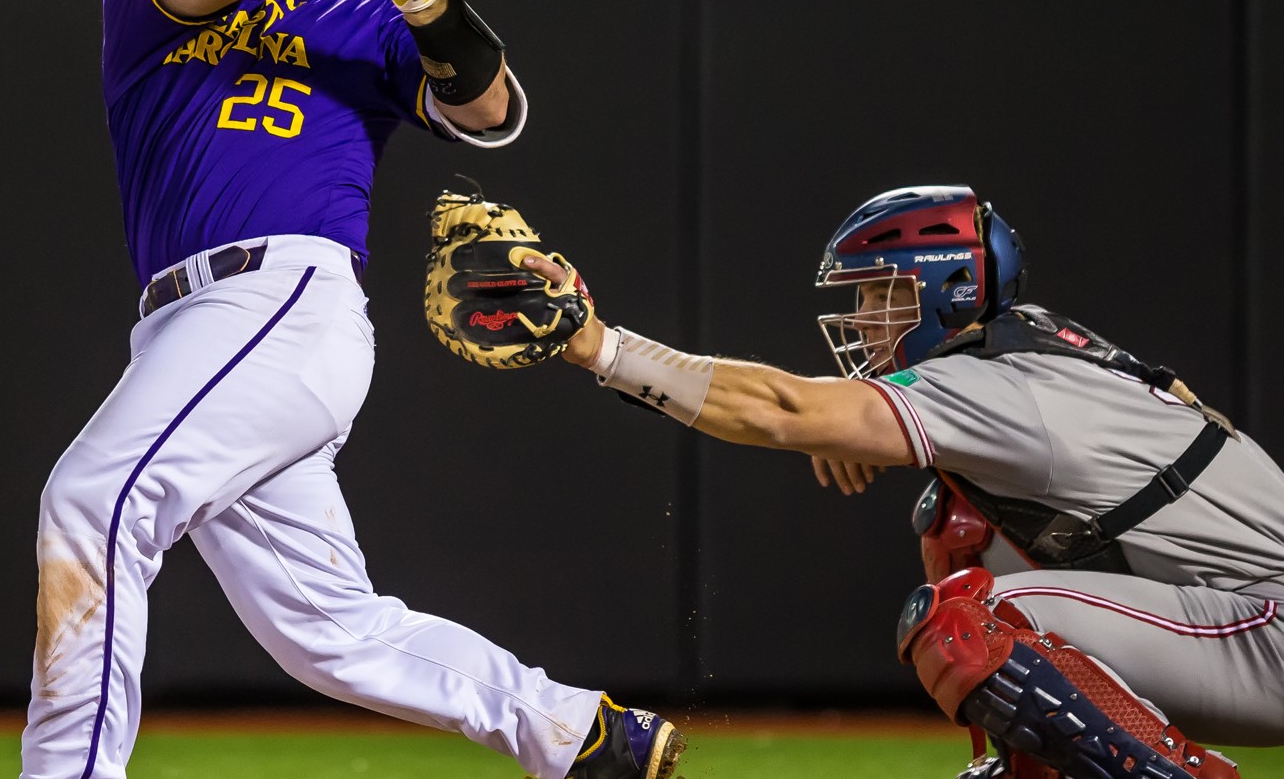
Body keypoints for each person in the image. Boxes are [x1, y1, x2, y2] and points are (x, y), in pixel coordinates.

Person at [18, 0, 687, 779]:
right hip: (185, 330)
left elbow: (489, 109)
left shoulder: (357, 18)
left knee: (92, 501)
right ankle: (573, 732)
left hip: (277, 302)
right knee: (327, 631)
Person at [513, 184, 1284, 779]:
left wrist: (601, 346)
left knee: (971, 621)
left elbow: (782, 408)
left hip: (1267, 625)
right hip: (1240, 613)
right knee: (954, 525)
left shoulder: (999, 385)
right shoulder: (1025, 352)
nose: (866, 316)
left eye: (885, 292)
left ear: (947, 288)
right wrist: (878, 433)